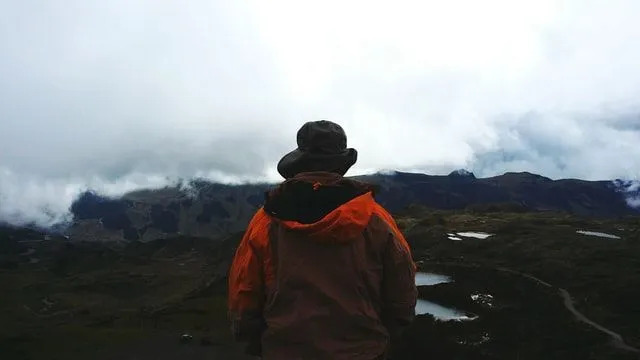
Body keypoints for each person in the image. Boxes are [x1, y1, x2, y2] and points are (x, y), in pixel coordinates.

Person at [228, 120, 417, 359]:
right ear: (340, 164)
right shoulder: (375, 218)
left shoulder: (266, 220)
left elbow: (244, 291)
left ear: (299, 162)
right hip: (362, 351)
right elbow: (402, 286)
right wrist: (389, 331)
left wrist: (252, 338)